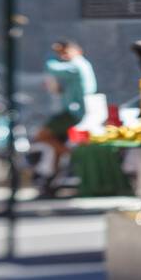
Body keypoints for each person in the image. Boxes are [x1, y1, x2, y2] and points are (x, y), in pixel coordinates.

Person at [33, 40, 97, 193]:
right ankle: (52, 179)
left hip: (74, 113)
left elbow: (52, 68)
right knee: (55, 144)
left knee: (42, 135)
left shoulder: (77, 64)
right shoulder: (78, 65)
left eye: (65, 51)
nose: (63, 55)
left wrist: (50, 55)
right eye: (60, 52)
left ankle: (76, 161)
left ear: (77, 50)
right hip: (73, 111)